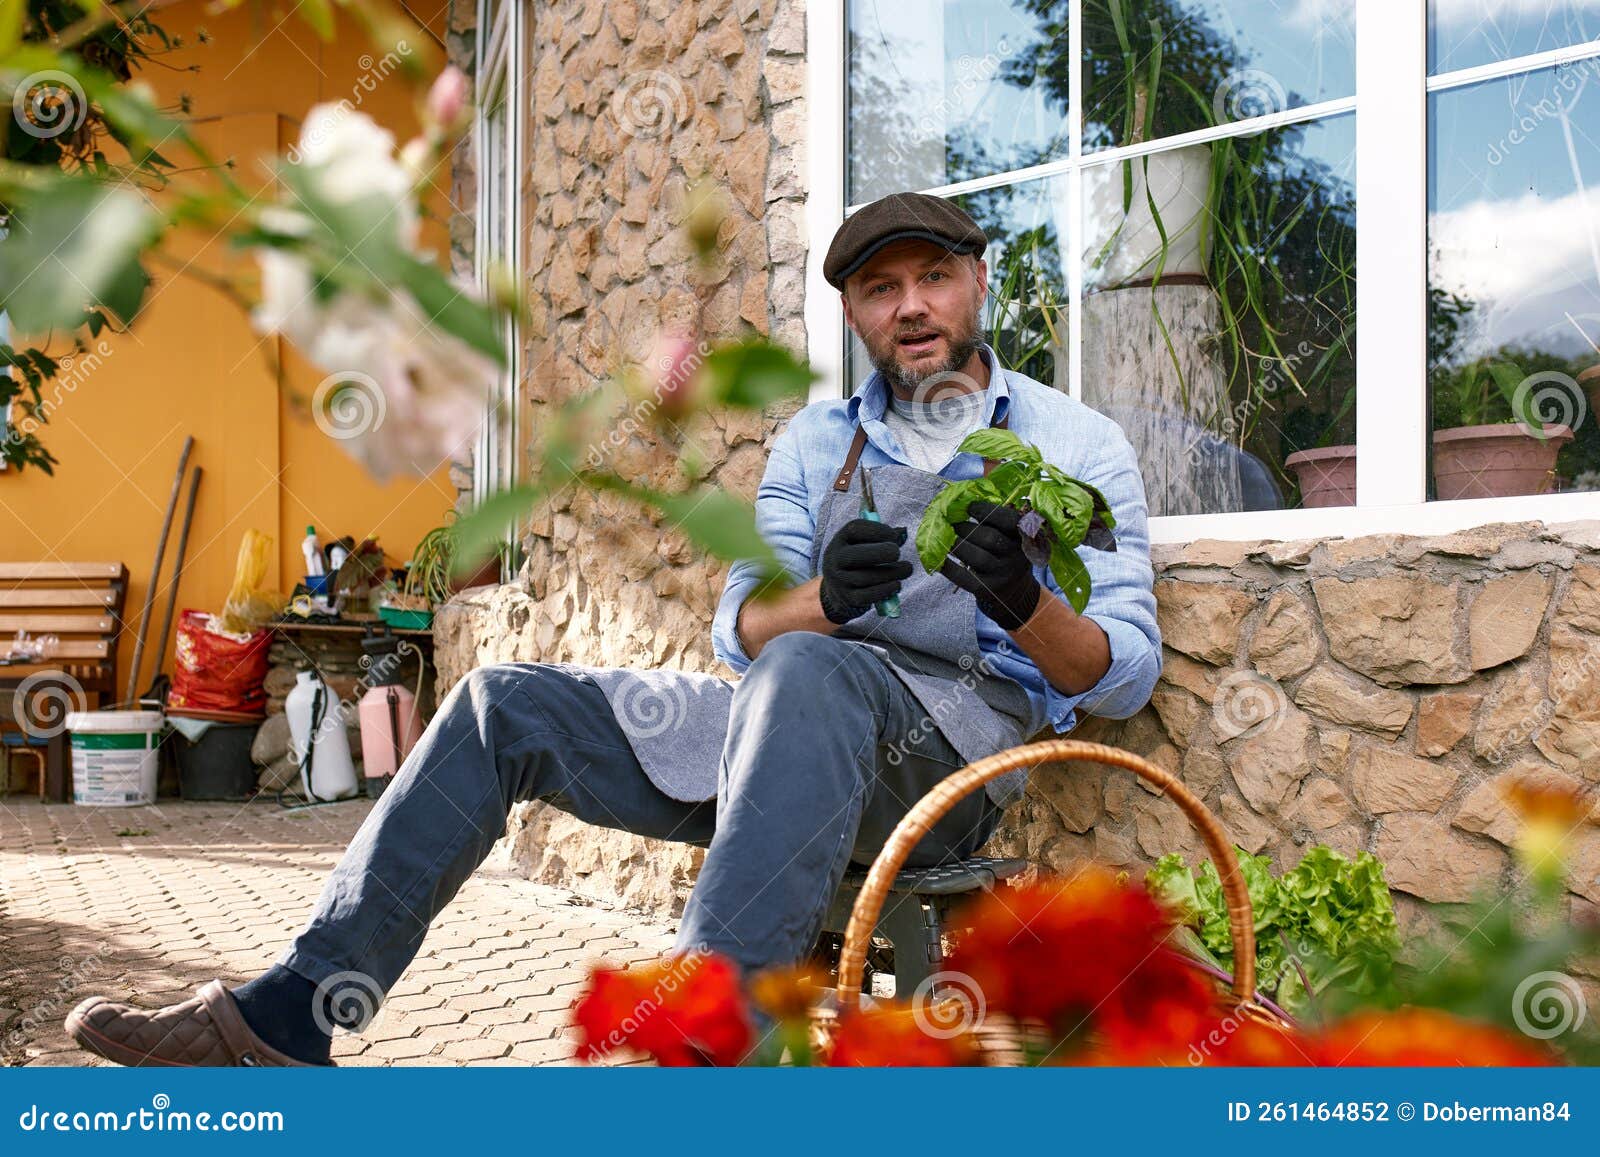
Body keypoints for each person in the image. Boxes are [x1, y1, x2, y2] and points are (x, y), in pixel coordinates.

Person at [66, 192, 1160, 1068]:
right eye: (882, 288)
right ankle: (290, 1012)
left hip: (943, 773)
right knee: (507, 703)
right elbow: (743, 627)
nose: (911, 305)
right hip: (777, 724)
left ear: (978, 281)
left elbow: (1118, 676)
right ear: (854, 315)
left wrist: (1028, 603)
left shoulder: (1074, 441)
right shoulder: (814, 443)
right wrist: (824, 596)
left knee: (815, 675)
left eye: (933, 277)